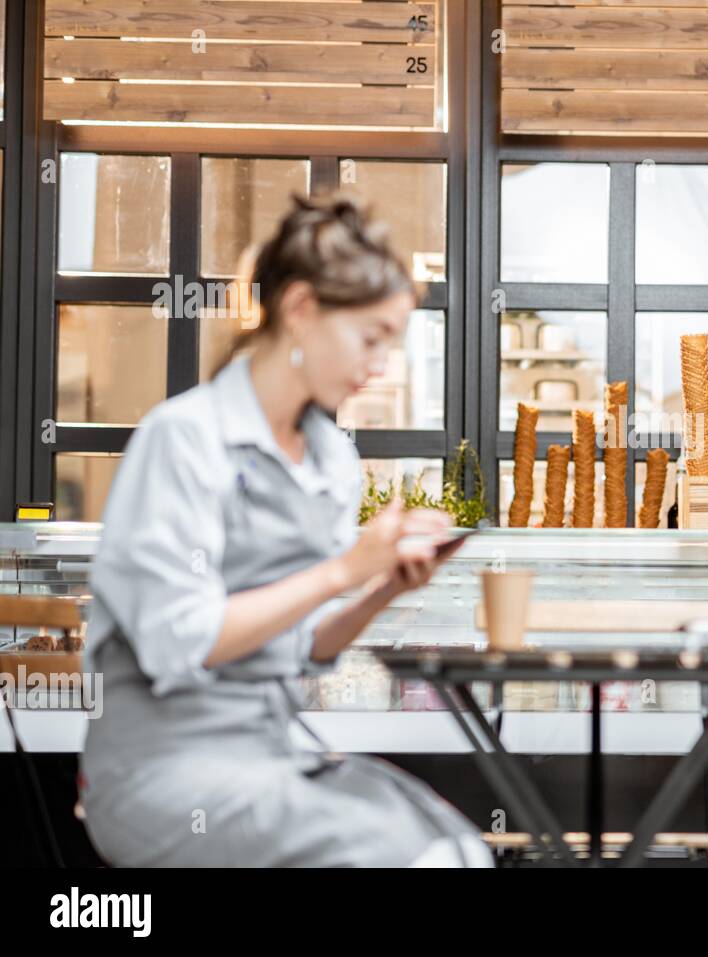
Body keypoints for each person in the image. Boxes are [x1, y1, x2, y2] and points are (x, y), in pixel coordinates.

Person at [78, 194, 492, 867]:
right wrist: (342, 570)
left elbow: (305, 644)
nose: (382, 365)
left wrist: (381, 585)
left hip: (276, 751)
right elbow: (178, 640)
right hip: (161, 773)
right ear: (300, 310)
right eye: (371, 337)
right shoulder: (185, 438)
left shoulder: (331, 460)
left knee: (460, 850)